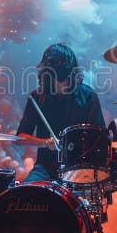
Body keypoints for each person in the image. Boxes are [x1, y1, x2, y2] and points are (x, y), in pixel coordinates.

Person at [17, 43, 104, 183]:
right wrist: (46, 142)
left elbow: (99, 137)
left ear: (71, 74)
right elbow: (20, 138)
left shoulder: (88, 96)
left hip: (79, 168)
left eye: (64, 79)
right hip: (44, 168)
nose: (61, 85)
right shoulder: (37, 97)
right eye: (56, 79)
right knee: (25, 193)